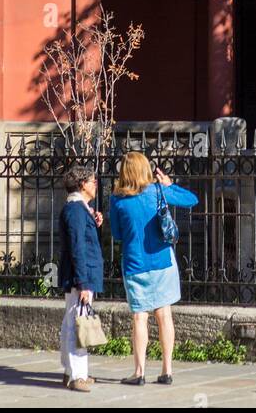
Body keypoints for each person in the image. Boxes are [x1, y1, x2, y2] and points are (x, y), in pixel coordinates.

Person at [109, 150, 198, 385]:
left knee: (140, 317)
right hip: (162, 261)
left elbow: (117, 234)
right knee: (164, 314)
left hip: (134, 263)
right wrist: (170, 184)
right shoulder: (158, 191)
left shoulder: (116, 199)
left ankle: (139, 373)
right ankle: (167, 370)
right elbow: (191, 199)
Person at [58, 161, 104, 394]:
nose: (96, 185)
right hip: (80, 277)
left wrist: (94, 224)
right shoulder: (76, 210)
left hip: (78, 275)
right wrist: (83, 283)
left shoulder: (78, 208)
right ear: (82, 184)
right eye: (93, 181)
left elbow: (81, 239)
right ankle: (78, 375)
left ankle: (70, 371)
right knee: (79, 324)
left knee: (71, 322)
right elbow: (77, 247)